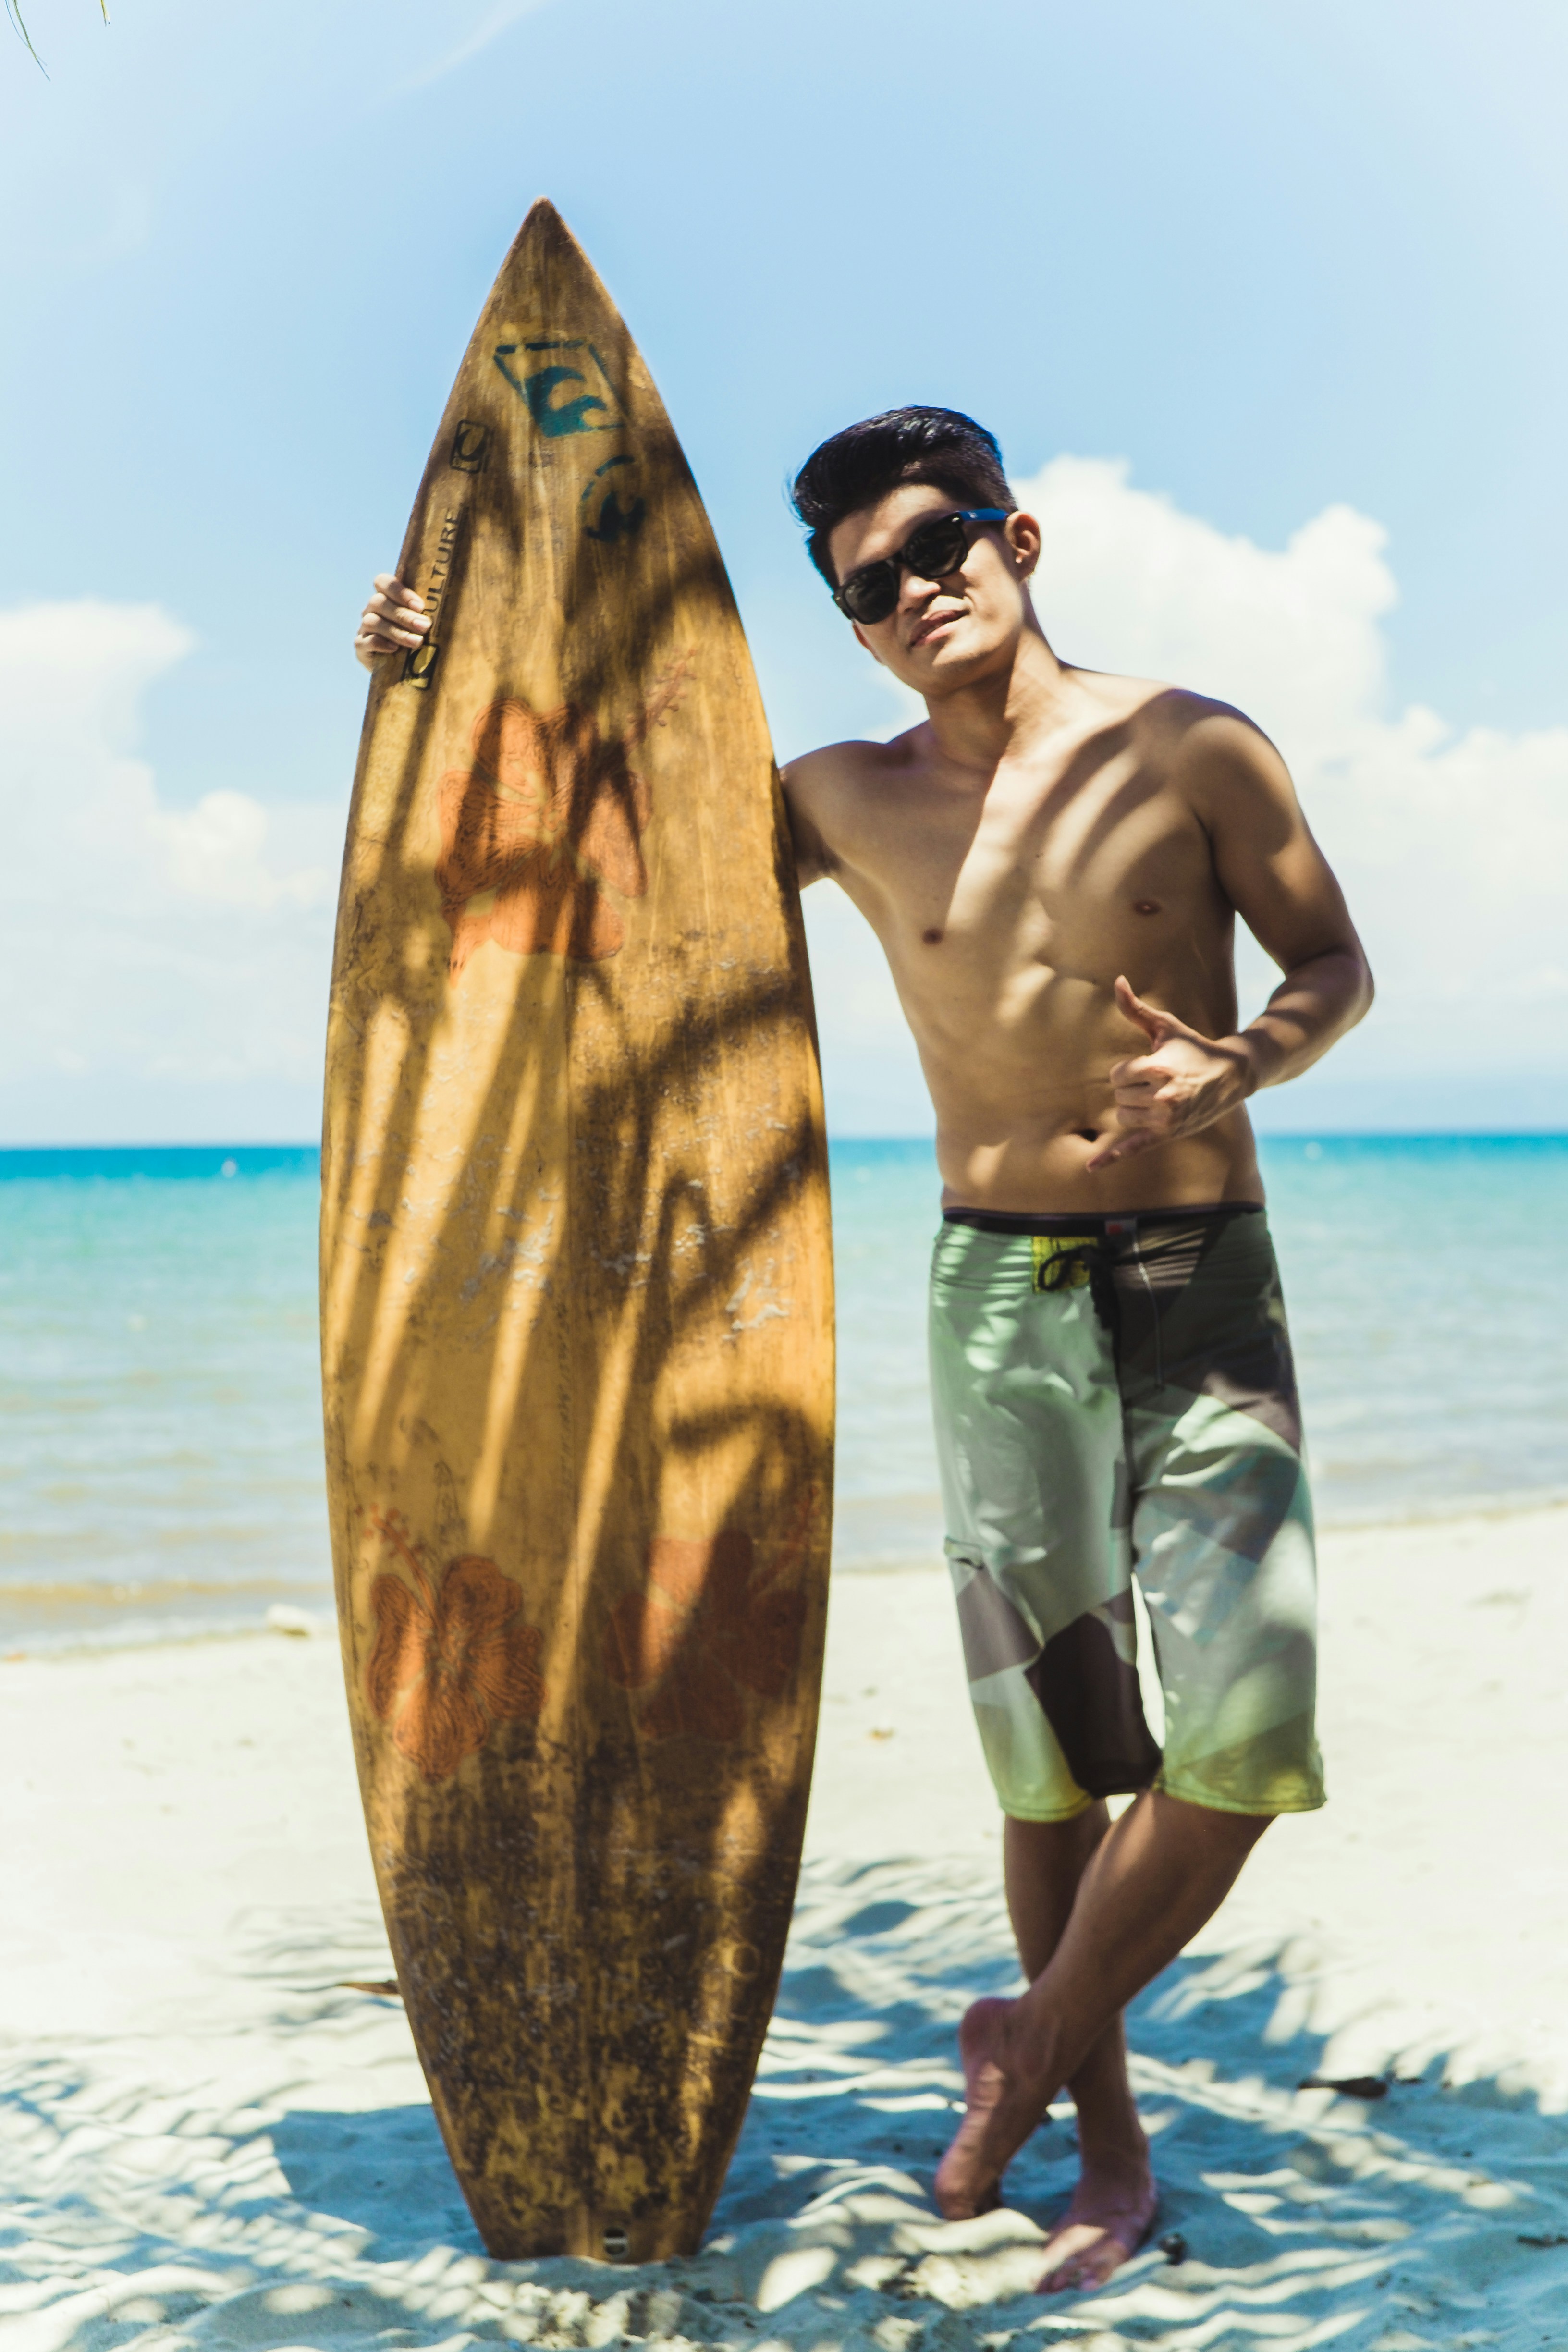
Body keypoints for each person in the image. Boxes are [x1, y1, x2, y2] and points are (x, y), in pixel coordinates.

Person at [354, 405, 1372, 2294]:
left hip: (1199, 1275)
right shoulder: (834, 795)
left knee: (1245, 1731)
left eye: (936, 549)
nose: (912, 596)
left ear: (1021, 536)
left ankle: (1035, 2039)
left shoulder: (1196, 748)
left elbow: (1335, 966)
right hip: (996, 1296)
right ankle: (1107, 2162)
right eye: (868, 589)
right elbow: (578, 845)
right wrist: (427, 675)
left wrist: (1247, 1057)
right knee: (1061, 1765)